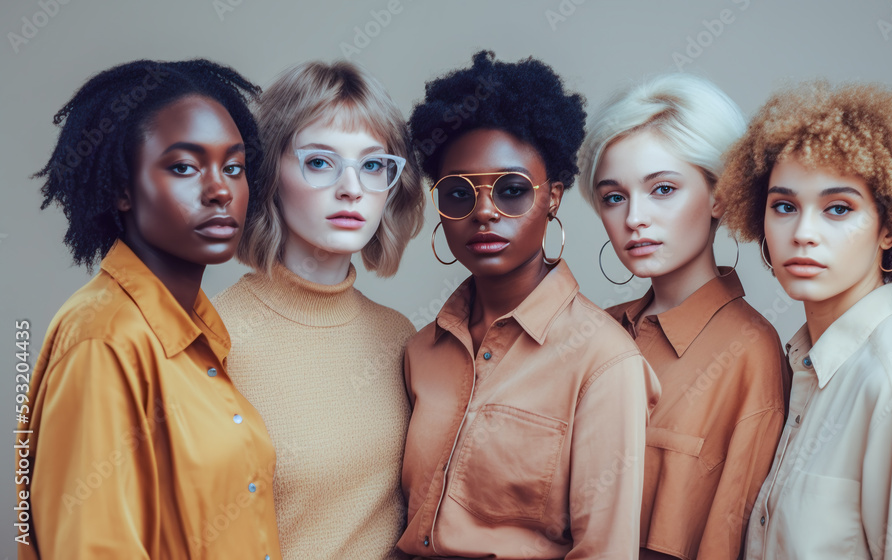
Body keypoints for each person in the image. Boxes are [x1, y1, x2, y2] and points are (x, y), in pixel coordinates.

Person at [398, 51, 661, 558]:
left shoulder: (605, 362)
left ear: (554, 197)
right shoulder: (420, 352)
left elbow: (605, 550)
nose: (484, 212)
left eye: (512, 190)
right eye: (458, 193)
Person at [717, 79, 892, 559]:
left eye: (838, 209)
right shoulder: (798, 368)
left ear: (889, 228)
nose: (803, 233)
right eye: (784, 206)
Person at [21, 59, 282, 558]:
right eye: (184, 167)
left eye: (233, 167)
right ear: (121, 187)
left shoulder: (195, 333)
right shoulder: (103, 340)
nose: (220, 190)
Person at [213, 60, 423, 559]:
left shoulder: (399, 336)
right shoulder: (211, 335)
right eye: (321, 161)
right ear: (268, 173)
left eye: (373, 165)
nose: (352, 188)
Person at [577, 73, 789, 559]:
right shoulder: (592, 331)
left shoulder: (751, 351)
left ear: (720, 195)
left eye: (663, 189)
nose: (634, 218)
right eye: (614, 196)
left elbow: (728, 536)